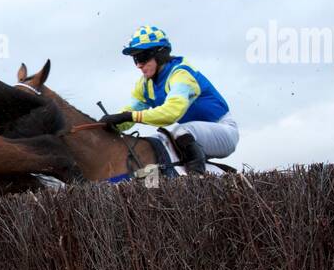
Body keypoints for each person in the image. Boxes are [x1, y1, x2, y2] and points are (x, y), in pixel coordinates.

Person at [100, 26, 238, 175]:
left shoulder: (181, 74)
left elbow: (171, 113)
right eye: (135, 59)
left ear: (160, 54)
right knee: (152, 142)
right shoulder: (145, 84)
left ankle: (197, 182)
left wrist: (129, 116)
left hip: (224, 131)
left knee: (181, 131)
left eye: (141, 58)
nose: (139, 65)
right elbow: (129, 113)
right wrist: (110, 126)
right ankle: (151, 190)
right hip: (194, 136)